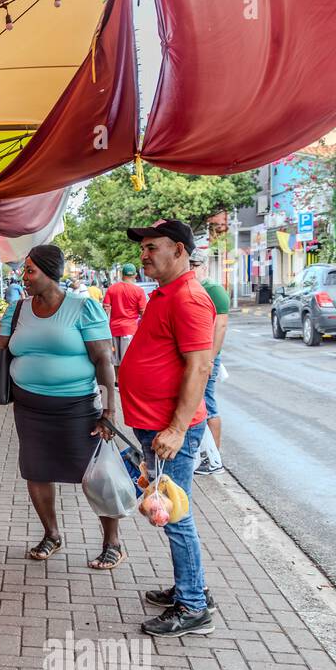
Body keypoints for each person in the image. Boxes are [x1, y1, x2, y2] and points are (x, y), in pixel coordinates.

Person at [0, 244, 122, 567]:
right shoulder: (17, 310)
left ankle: (113, 542)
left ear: (51, 273)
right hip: (30, 409)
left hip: (77, 408)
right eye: (24, 270)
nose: (24, 277)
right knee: (36, 470)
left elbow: (103, 360)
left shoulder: (83, 308)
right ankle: (51, 534)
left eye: (30, 270)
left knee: (95, 474)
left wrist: (109, 411)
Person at [119, 220, 217, 637]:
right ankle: (191, 588)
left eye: (151, 247)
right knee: (172, 510)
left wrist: (176, 429)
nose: (143, 255)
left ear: (179, 250)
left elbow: (200, 366)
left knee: (174, 515)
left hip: (169, 430)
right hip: (154, 425)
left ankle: (193, 607)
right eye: (142, 248)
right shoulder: (165, 293)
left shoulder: (189, 298)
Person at [192, 255, 230, 475]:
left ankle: (214, 459)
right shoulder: (194, 288)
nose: (191, 269)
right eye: (189, 264)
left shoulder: (213, 289)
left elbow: (221, 327)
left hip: (208, 358)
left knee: (207, 404)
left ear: (204, 267)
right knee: (200, 403)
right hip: (199, 357)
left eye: (195, 265)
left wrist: (210, 358)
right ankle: (206, 455)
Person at [102, 262, 149, 365]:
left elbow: (105, 310)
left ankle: (117, 376)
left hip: (114, 330)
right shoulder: (139, 291)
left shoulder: (112, 289)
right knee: (128, 362)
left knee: (115, 362)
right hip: (130, 330)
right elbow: (143, 313)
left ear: (122, 274)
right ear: (135, 275)